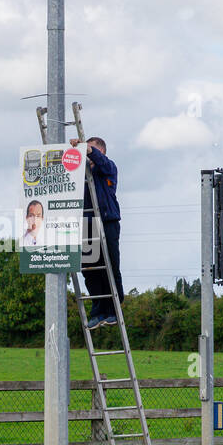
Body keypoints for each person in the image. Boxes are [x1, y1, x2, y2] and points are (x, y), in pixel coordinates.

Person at [70, 135, 122, 328]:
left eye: (91, 150)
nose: (87, 154)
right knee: (90, 269)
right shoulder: (80, 173)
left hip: (107, 221)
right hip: (87, 224)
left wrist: (89, 150)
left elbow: (103, 163)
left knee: (110, 266)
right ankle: (98, 310)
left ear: (101, 152)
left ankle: (113, 310)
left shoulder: (108, 168)